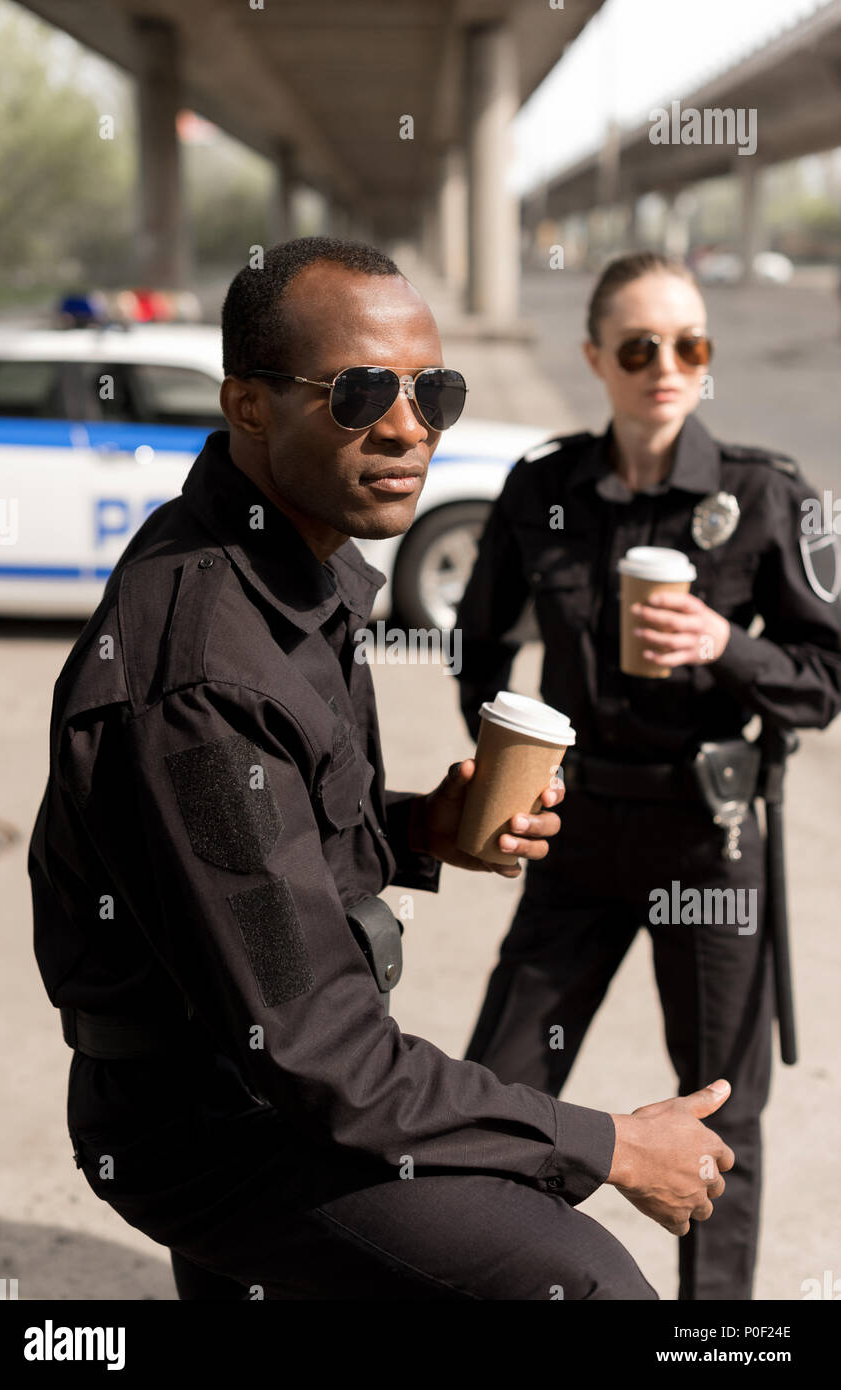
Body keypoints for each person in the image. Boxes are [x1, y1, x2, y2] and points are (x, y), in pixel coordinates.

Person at [29, 238, 734, 1302]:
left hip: (260, 1080)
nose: (409, 426)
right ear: (250, 404)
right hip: (219, 1123)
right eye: (360, 391)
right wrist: (610, 1146)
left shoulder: (284, 567)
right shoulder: (206, 672)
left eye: (433, 390)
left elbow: (245, 848)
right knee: (582, 1280)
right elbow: (329, 1058)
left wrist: (417, 829)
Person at [455, 250, 841, 1302]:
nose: (667, 365)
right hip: (575, 832)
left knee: (720, 1112)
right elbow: (478, 641)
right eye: (639, 346)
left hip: (707, 837)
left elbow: (823, 680)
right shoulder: (542, 487)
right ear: (595, 358)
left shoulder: (766, 493)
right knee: (500, 1087)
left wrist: (725, 641)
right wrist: (500, 777)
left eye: (690, 345)